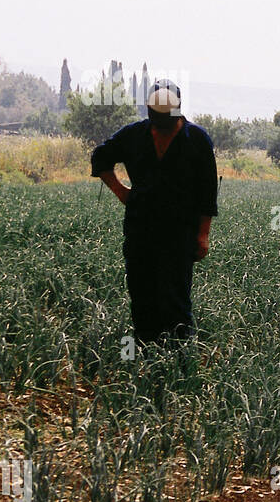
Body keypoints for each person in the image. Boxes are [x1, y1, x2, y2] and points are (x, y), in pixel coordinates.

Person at [90, 79, 218, 351]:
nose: (162, 124)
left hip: (180, 231)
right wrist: (121, 191)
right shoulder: (134, 135)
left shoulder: (197, 140)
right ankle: (146, 354)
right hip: (140, 229)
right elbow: (100, 157)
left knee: (176, 297)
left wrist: (203, 235)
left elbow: (208, 191)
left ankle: (179, 360)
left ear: (178, 111)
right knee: (141, 292)